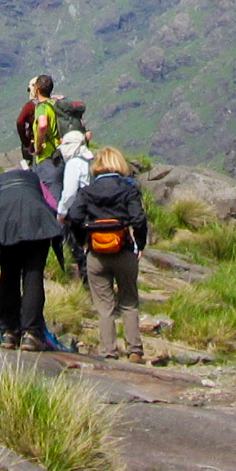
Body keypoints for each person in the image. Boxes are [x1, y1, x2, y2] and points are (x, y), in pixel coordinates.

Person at [0, 150, 68, 351]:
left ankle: (8, 333)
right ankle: (31, 334)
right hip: (38, 222)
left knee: (8, 276)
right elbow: (53, 204)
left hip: (5, 224)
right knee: (33, 276)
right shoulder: (34, 179)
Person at [67, 146, 150, 360]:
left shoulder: (87, 191)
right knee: (129, 302)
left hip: (96, 254)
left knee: (104, 306)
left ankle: (108, 350)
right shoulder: (129, 189)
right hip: (123, 251)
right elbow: (139, 219)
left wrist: (82, 241)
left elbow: (74, 216)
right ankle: (134, 350)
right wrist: (139, 245)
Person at [14, 75, 84, 165]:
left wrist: (34, 146)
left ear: (37, 89)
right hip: (62, 151)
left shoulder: (39, 106)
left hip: (47, 154)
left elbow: (37, 124)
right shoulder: (56, 103)